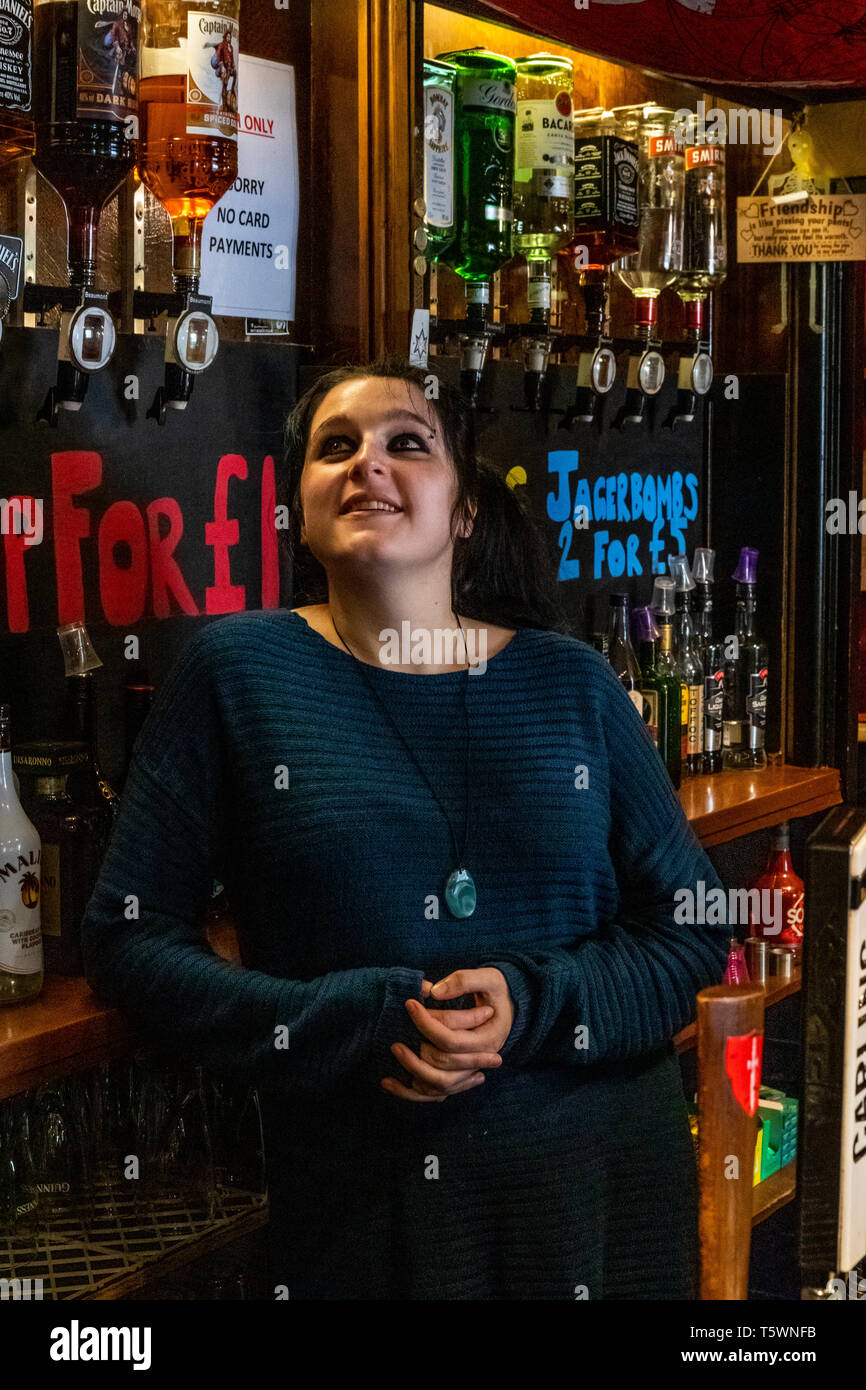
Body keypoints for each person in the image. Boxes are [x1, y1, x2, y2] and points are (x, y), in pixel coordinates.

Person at [81, 356, 729, 1300]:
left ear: (465, 509)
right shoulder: (238, 673)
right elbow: (128, 936)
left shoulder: (571, 681)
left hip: (600, 1206)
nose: (367, 465)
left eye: (407, 444)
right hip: (372, 1216)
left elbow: (694, 927)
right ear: (297, 507)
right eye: (334, 448)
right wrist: (336, 1023)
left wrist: (532, 1001)